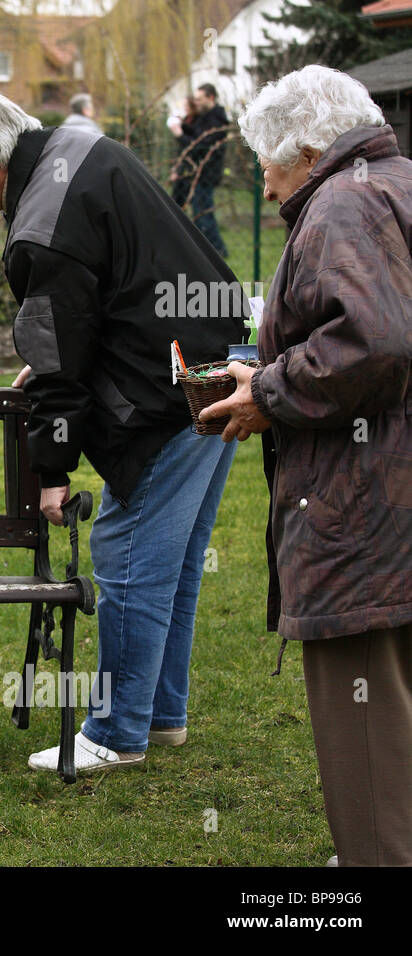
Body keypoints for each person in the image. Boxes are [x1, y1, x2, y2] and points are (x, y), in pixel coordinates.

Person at [0, 83, 247, 775]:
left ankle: (117, 732)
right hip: (223, 366)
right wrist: (46, 364)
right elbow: (92, 310)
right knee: (174, 563)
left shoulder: (41, 226)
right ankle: (160, 716)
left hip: (169, 395)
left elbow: (62, 358)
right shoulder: (80, 146)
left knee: (125, 550)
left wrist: (52, 473)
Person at [201, 65, 412, 867]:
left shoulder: (344, 202)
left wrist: (272, 393)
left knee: (364, 716)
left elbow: (375, 342)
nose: (264, 189)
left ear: (310, 148)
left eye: (267, 166)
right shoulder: (398, 183)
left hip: (365, 516)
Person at [179, 83, 230, 256]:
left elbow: (201, 145)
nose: (197, 102)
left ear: (211, 98)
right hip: (198, 172)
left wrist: (180, 135)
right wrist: (183, 126)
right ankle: (212, 248)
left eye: (200, 99)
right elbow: (197, 134)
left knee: (203, 212)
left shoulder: (217, 120)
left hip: (206, 172)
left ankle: (217, 249)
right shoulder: (206, 117)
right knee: (200, 210)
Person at [167, 96, 199, 208]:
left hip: (192, 168)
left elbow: (193, 146)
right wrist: (176, 168)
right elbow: (181, 150)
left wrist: (180, 134)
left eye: (186, 105)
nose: (184, 108)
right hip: (182, 166)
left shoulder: (197, 123)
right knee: (176, 201)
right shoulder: (185, 122)